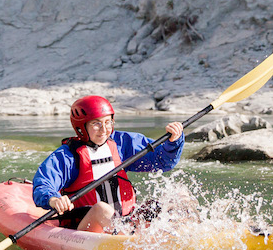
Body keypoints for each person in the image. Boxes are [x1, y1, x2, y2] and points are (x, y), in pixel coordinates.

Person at [32, 95, 184, 233]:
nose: (104, 130)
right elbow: (43, 183)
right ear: (81, 127)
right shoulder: (68, 155)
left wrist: (173, 142)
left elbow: (163, 162)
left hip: (126, 221)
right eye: (96, 124)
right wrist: (53, 199)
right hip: (86, 228)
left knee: (178, 197)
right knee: (102, 210)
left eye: (108, 122)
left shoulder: (122, 143)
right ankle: (131, 243)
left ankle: (192, 240)